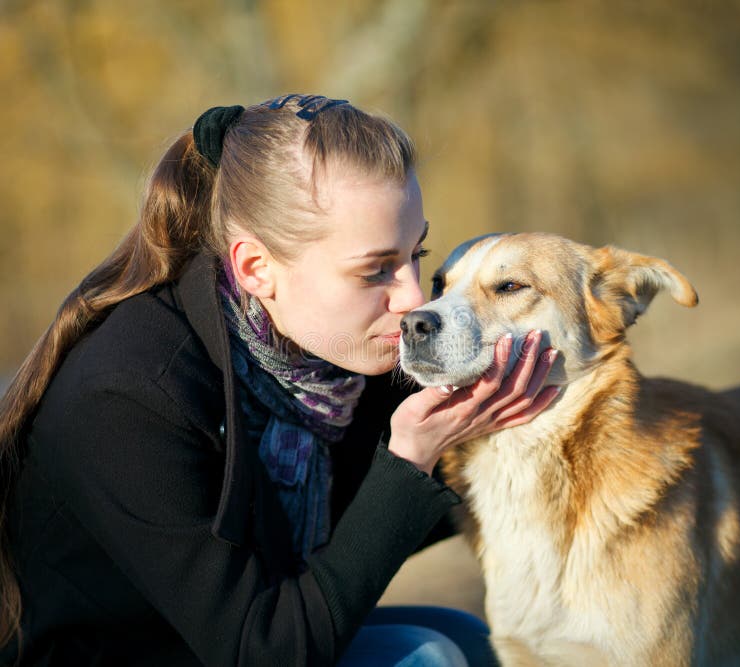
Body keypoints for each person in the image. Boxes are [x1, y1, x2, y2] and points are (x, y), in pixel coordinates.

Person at [0, 94, 559, 666]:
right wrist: (410, 460)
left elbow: (389, 521)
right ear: (255, 268)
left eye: (416, 254)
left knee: (461, 636)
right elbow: (265, 651)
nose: (413, 297)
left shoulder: (334, 356)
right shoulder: (129, 396)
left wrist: (504, 417)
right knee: (429, 657)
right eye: (375, 270)